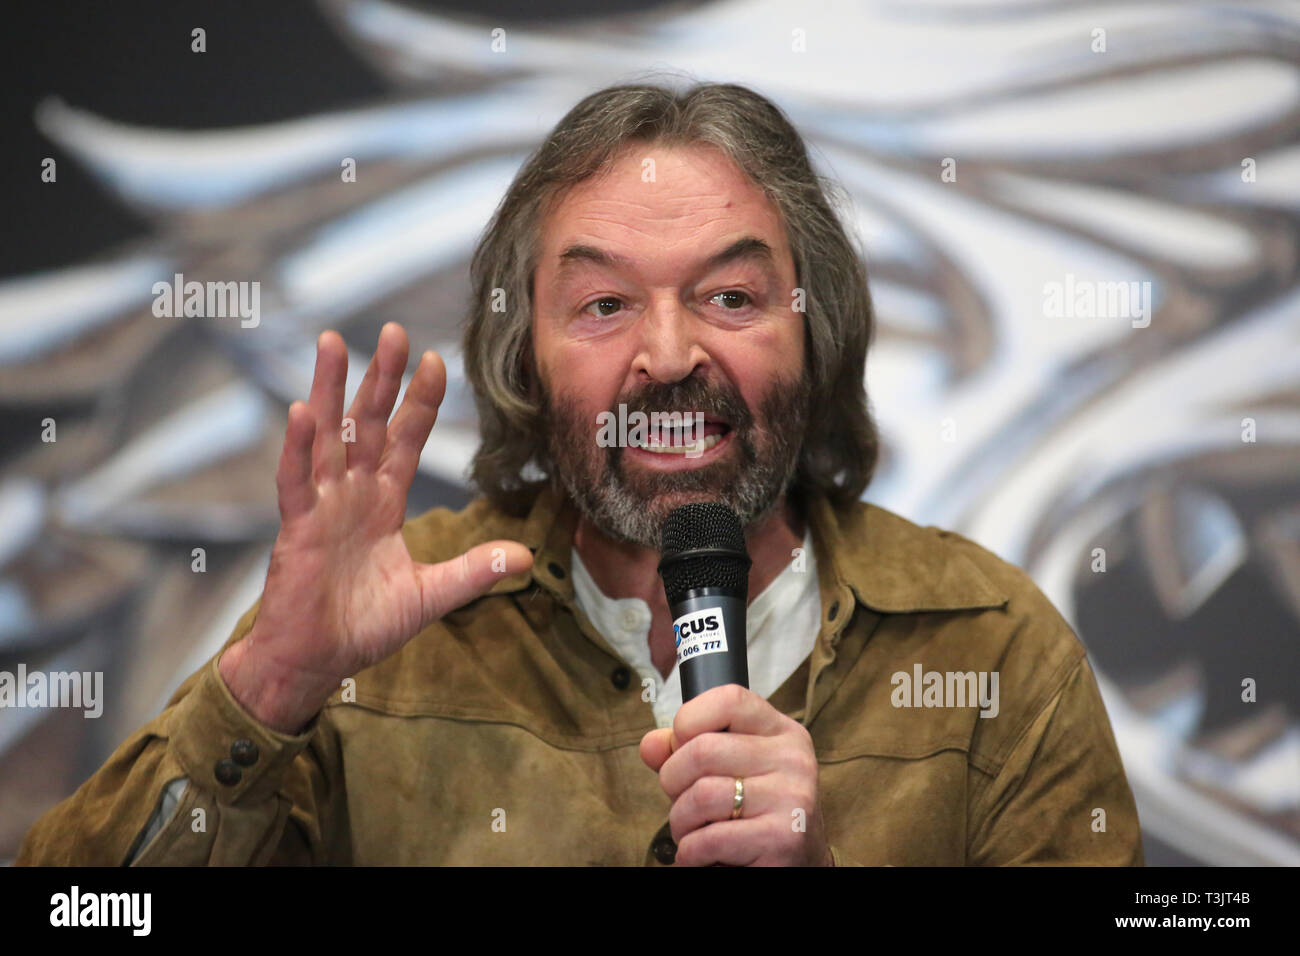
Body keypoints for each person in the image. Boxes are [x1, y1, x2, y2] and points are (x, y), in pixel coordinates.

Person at [17, 81, 1143, 866]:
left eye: (731, 297)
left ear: (817, 333)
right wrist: (264, 686)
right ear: (526, 355)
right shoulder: (380, 635)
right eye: (603, 304)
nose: (666, 356)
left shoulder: (993, 644)